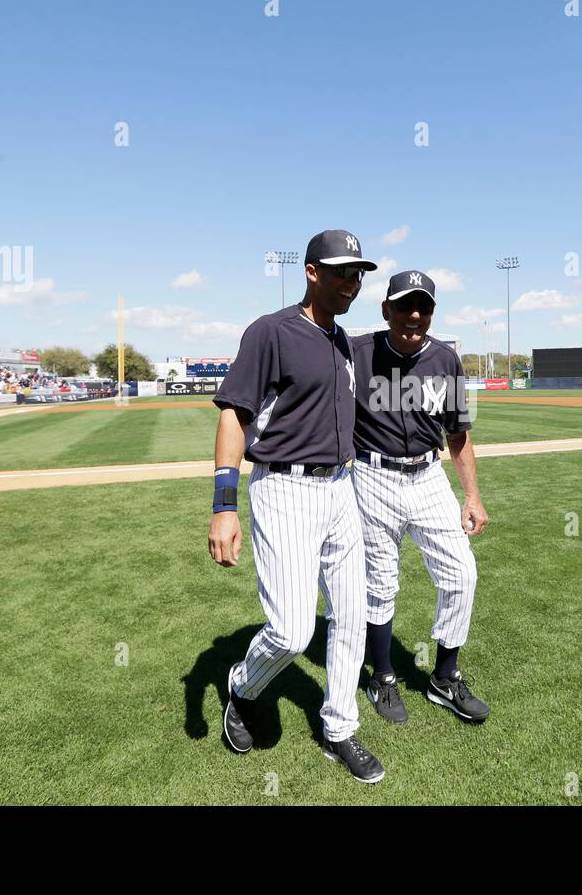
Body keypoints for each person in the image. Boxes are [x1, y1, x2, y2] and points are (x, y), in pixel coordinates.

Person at [208, 229, 387, 784]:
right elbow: (233, 415)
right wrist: (224, 506)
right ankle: (243, 686)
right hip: (284, 490)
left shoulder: (341, 341)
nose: (351, 283)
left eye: (358, 274)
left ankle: (340, 728)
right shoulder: (272, 331)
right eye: (341, 273)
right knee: (290, 633)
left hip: (341, 490)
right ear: (311, 272)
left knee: (351, 616)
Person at [350, 270, 490, 725]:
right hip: (373, 477)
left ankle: (445, 676)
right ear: (386, 309)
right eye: (405, 306)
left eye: (424, 307)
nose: (414, 315)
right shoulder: (356, 353)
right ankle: (383, 676)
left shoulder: (446, 360)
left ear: (431, 313)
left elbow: (458, 434)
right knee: (380, 583)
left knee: (461, 574)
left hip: (429, 476)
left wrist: (472, 495)